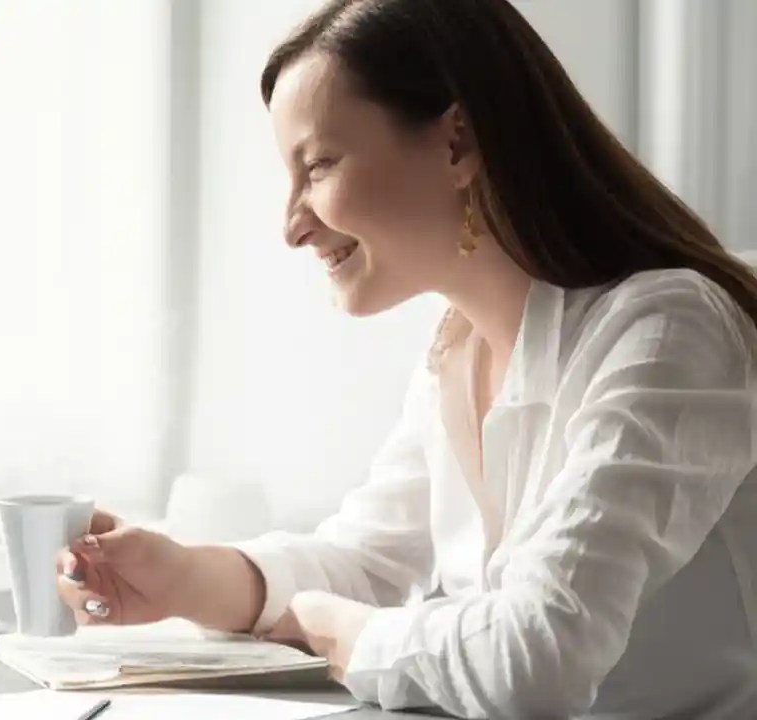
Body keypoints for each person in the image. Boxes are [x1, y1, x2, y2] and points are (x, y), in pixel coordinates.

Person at [55, 0, 757, 717]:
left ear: (456, 142)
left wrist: (342, 634)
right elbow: (369, 561)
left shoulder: (669, 331)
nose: (292, 224)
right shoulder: (457, 352)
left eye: (319, 165)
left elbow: (537, 657)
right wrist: (184, 576)